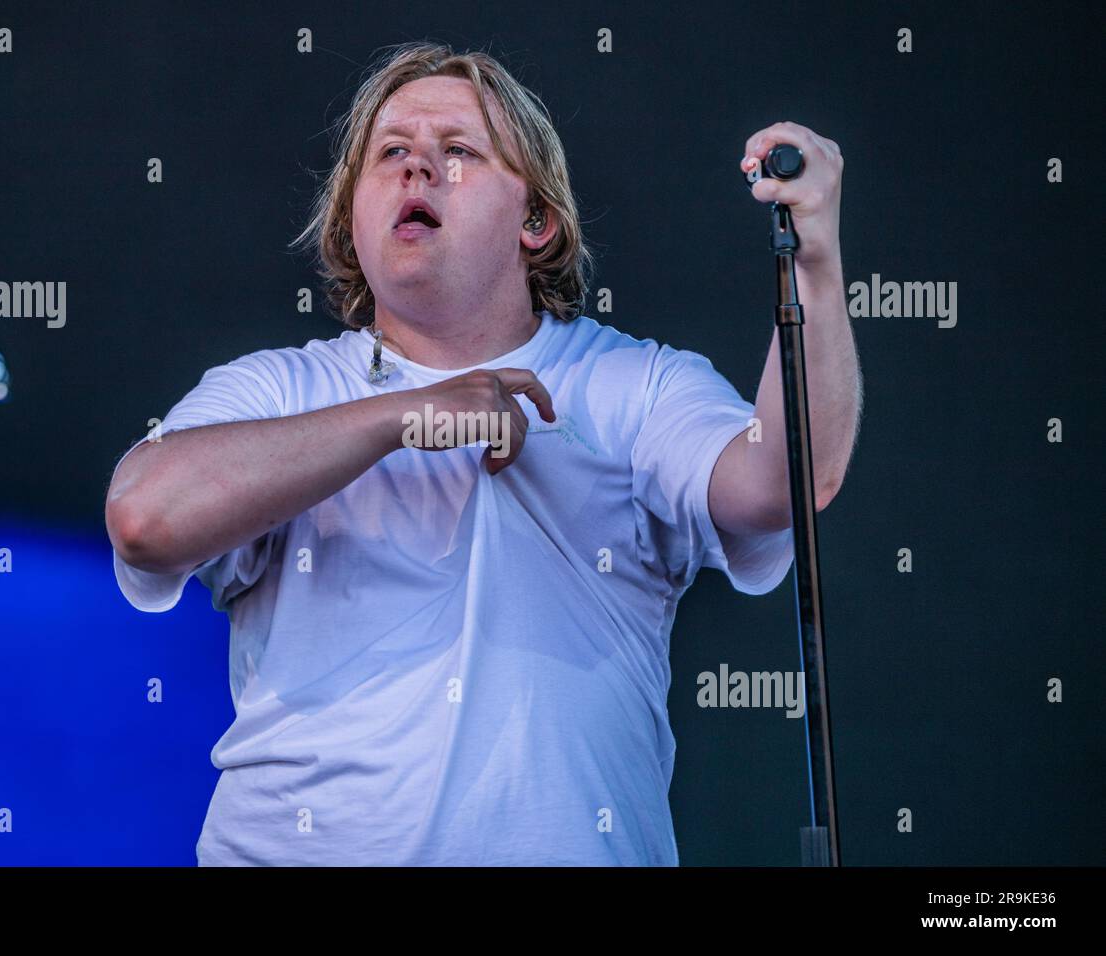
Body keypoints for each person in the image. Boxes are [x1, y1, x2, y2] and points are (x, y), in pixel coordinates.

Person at [104, 40, 861, 866]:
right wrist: (407, 415)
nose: (415, 170)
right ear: (352, 218)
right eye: (390, 153)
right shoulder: (278, 390)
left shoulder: (634, 385)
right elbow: (145, 517)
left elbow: (785, 482)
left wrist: (816, 261)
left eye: (457, 152)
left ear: (536, 220)